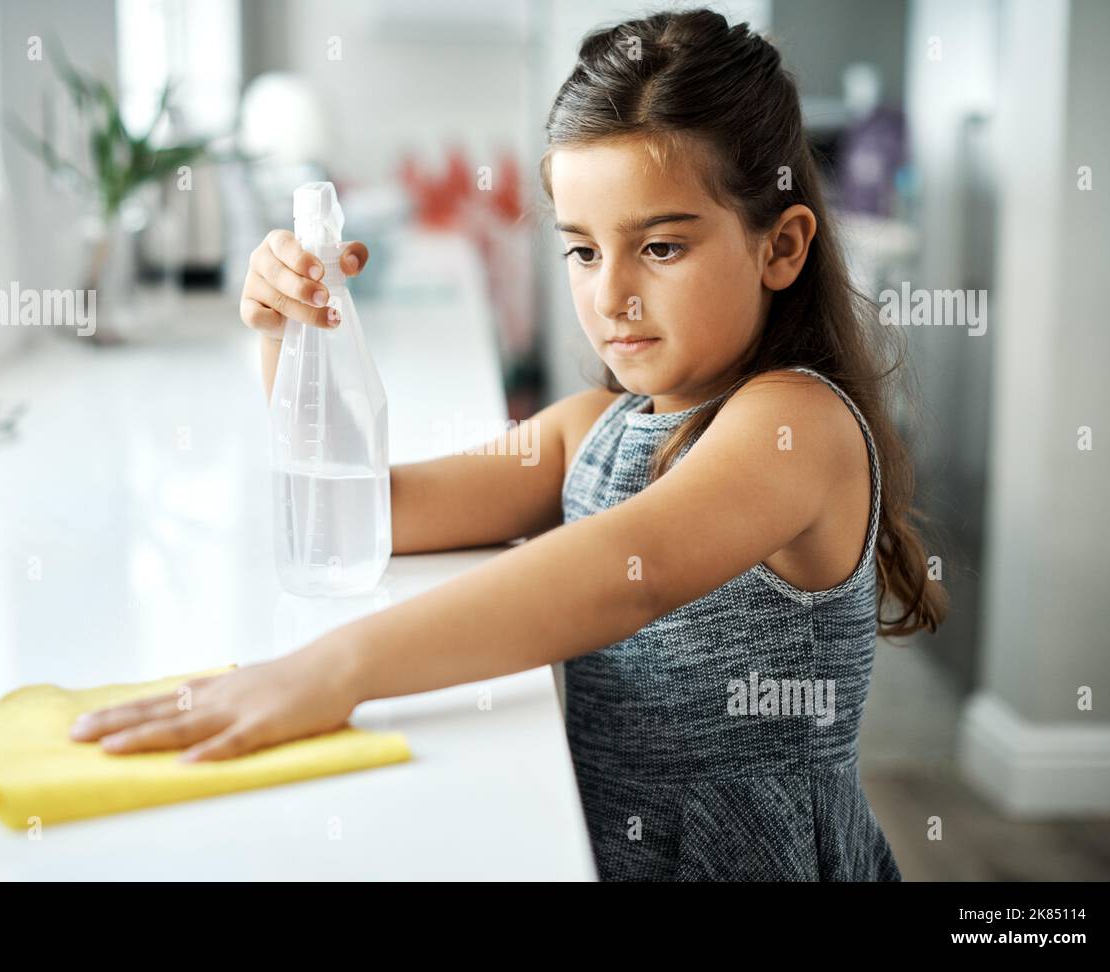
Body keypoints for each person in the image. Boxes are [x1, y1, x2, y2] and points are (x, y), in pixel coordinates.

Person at [71, 6, 947, 881]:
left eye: (663, 246)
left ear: (782, 246)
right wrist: (291, 335)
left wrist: (335, 668)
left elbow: (623, 574)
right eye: (582, 251)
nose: (612, 295)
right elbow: (364, 511)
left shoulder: (796, 428)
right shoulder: (592, 433)